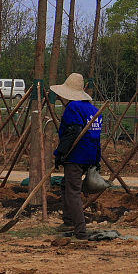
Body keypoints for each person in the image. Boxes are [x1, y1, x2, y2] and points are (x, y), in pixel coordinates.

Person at [51, 73, 102, 239]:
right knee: (66, 185)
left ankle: (80, 230)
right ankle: (68, 220)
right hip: (89, 155)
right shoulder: (94, 110)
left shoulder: (73, 108)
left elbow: (73, 133)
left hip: (76, 155)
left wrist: (60, 154)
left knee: (73, 191)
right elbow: (96, 137)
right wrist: (96, 159)